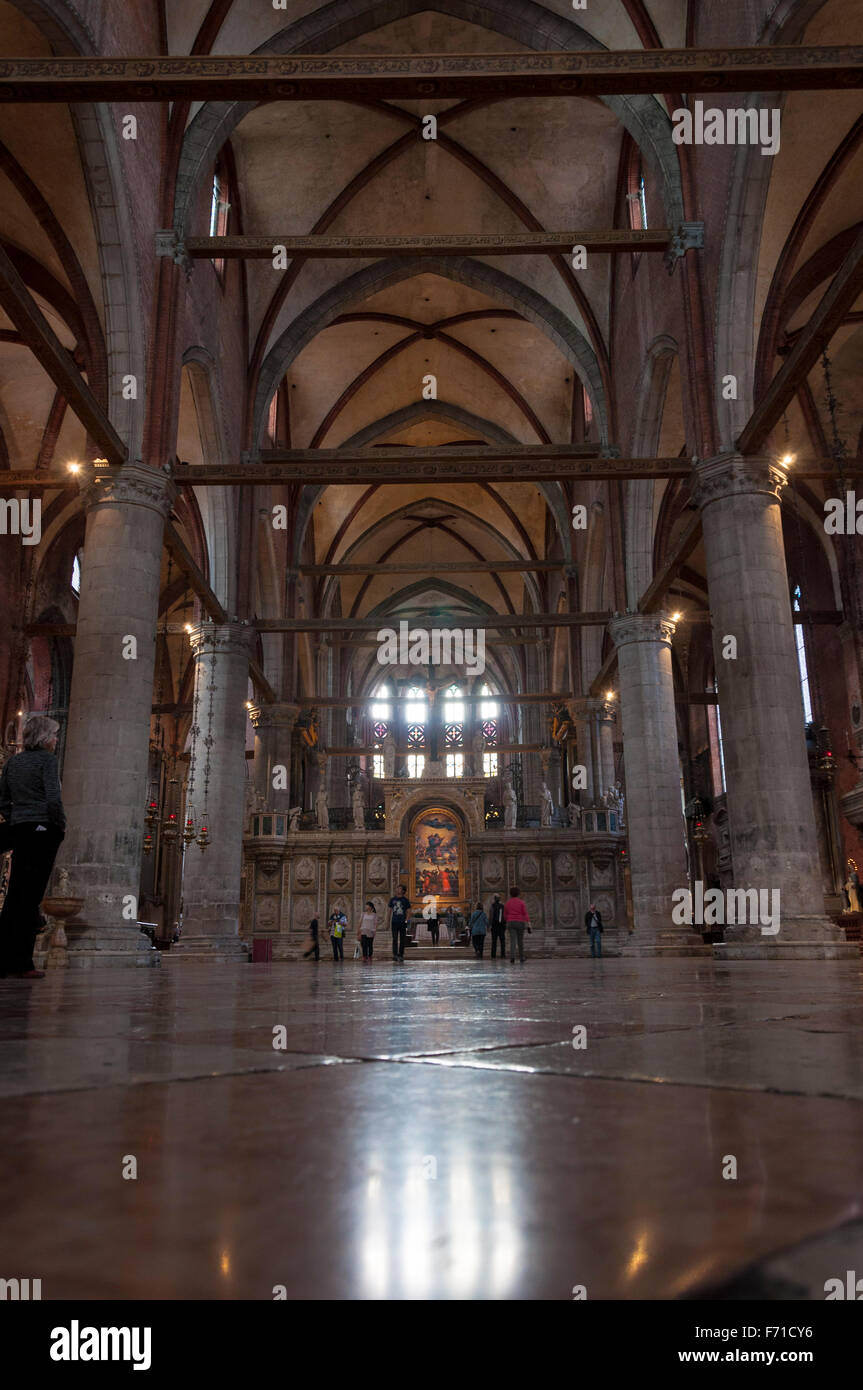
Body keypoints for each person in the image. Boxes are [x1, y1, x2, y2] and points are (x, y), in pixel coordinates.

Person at [0, 715, 66, 980]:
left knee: (16, 895)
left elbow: (3, 799)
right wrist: (58, 825)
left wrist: (16, 819)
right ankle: (22, 963)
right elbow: (53, 797)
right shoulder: (47, 761)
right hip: (42, 829)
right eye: (53, 734)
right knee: (30, 897)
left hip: (20, 829)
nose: (56, 739)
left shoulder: (13, 761)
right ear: (44, 737)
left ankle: (5, 961)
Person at [503, 885, 531, 964]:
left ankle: (512, 957)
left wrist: (507, 920)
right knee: (520, 941)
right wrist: (529, 924)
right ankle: (521, 957)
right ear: (518, 893)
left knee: (512, 941)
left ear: (510, 894)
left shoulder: (507, 903)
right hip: (520, 922)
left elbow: (505, 915)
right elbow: (525, 913)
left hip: (511, 922)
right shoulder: (521, 902)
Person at [388, 884, 411, 962]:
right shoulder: (392, 899)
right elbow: (389, 911)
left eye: (399, 888)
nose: (397, 889)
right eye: (397, 888)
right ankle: (394, 954)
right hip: (394, 921)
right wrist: (388, 920)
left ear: (403, 891)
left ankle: (401, 954)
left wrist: (406, 920)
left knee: (402, 939)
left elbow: (408, 911)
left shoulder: (405, 900)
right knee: (394, 939)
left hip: (402, 922)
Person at [489, 894, 506, 959]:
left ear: (494, 899)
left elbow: (491, 916)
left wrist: (490, 925)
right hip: (501, 926)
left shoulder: (492, 906)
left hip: (494, 926)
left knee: (494, 941)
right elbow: (504, 916)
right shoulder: (502, 906)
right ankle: (503, 955)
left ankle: (493, 955)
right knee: (502, 941)